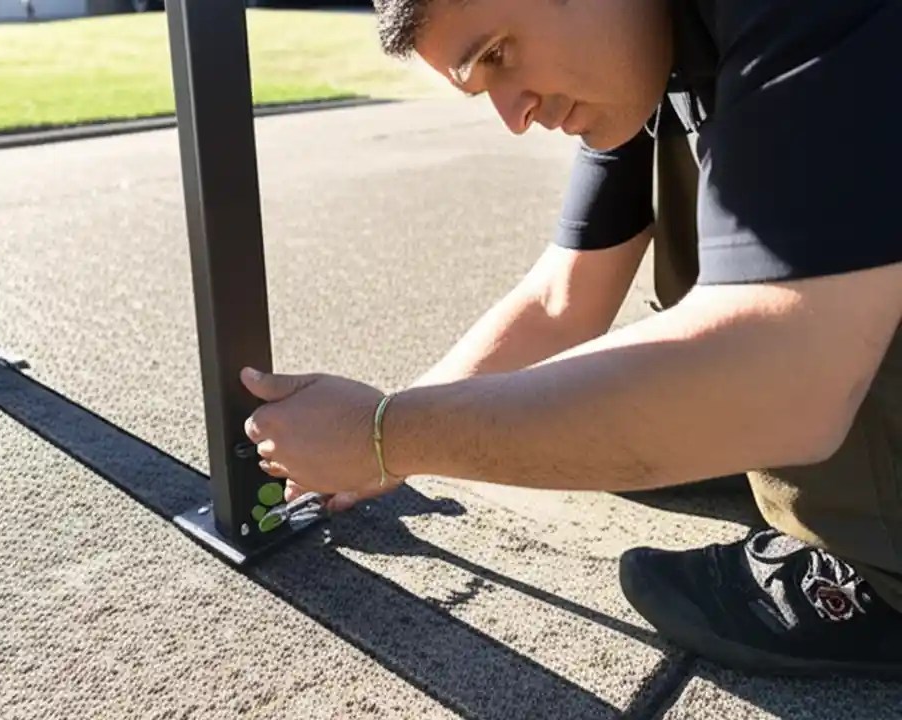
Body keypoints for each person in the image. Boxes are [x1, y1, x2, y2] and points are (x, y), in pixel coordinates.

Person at [239, 0, 902, 677]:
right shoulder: (651, 41)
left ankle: (884, 576)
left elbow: (787, 372)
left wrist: (389, 433)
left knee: (750, 370)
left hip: (802, 371)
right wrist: (380, 444)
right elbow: (563, 298)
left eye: (498, 53)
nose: (514, 115)